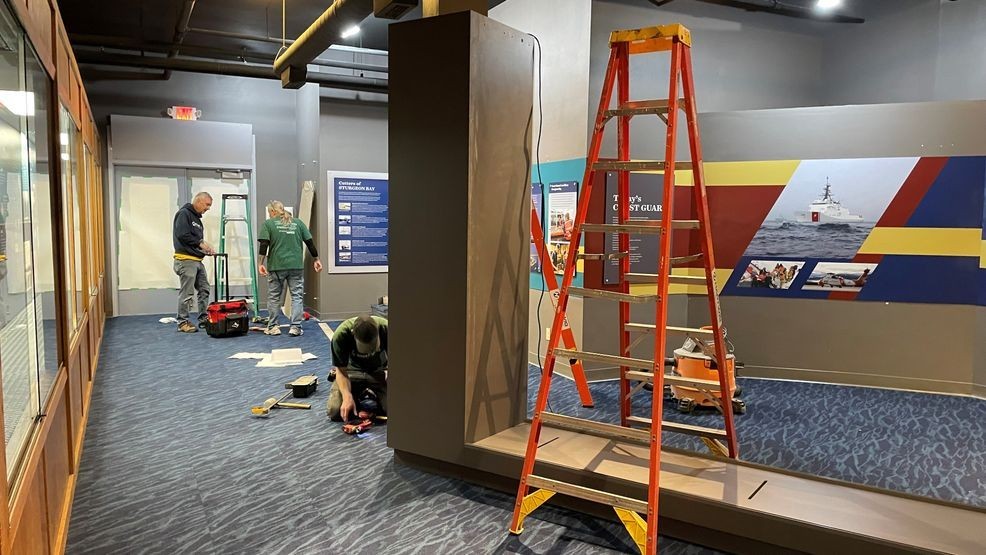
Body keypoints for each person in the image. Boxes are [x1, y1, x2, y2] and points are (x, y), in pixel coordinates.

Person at [258, 200, 322, 336]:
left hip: (276, 266)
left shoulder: (268, 224)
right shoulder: (298, 223)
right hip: (295, 266)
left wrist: (260, 264)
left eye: (270, 212)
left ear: (273, 211)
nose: (270, 215)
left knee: (274, 297)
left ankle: (274, 327)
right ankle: (295, 327)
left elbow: (264, 245)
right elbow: (310, 243)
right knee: (297, 297)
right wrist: (316, 259)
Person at [327, 315, 389, 422]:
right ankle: (360, 393)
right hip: (351, 372)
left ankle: (371, 393)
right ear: (353, 334)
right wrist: (347, 396)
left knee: (396, 409)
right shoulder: (341, 335)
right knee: (336, 411)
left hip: (378, 371)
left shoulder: (387, 329)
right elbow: (341, 370)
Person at [173, 192, 216, 333]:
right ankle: (182, 322)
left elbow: (197, 240)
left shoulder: (198, 220)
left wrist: (206, 247)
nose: (208, 208)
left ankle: (203, 318)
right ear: (198, 201)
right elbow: (182, 234)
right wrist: (200, 243)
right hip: (185, 261)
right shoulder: (184, 214)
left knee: (204, 289)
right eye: (207, 204)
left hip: (197, 261)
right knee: (187, 293)